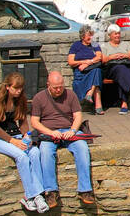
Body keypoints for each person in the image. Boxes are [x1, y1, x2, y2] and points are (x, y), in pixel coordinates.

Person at [0, 72, 48, 213]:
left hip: (15, 134)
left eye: (20, 88)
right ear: (7, 87)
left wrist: (26, 136)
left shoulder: (20, 99)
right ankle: (29, 196)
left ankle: (38, 195)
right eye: (15, 88)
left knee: (35, 152)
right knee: (21, 156)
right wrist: (12, 141)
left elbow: (23, 121)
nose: (18, 91)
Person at [30, 70, 94, 206]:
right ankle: (51, 191)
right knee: (46, 153)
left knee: (82, 148)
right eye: (55, 87)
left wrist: (73, 130)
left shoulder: (70, 95)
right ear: (48, 84)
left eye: (61, 86)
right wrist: (50, 132)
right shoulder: (39, 98)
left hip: (68, 130)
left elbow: (77, 116)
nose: (59, 90)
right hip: (49, 132)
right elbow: (35, 122)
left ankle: (85, 189)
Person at [100, 26, 130, 114]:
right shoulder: (105, 46)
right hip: (112, 69)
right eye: (115, 34)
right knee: (121, 70)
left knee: (122, 73)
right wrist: (112, 57)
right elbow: (103, 60)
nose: (117, 35)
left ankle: (124, 104)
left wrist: (125, 55)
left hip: (126, 67)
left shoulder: (125, 44)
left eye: (118, 33)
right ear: (110, 35)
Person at [67, 25, 105, 115]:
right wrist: (83, 62)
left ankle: (89, 93)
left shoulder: (94, 44)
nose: (91, 38)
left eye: (92, 35)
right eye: (89, 35)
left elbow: (99, 57)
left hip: (91, 69)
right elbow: (71, 61)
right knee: (97, 73)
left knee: (97, 71)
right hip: (81, 72)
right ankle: (98, 105)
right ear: (83, 36)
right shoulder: (76, 45)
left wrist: (88, 63)